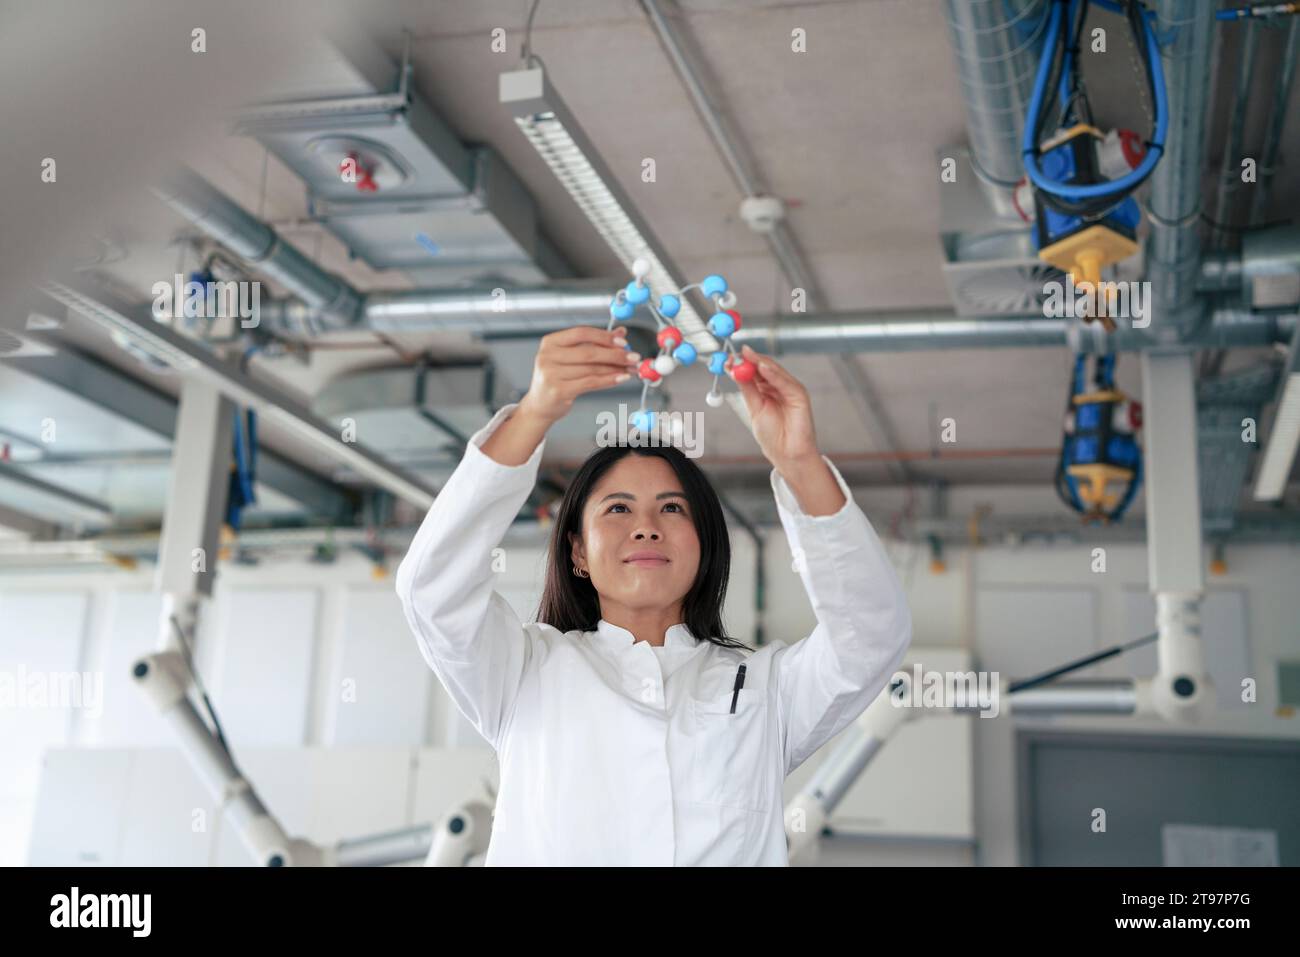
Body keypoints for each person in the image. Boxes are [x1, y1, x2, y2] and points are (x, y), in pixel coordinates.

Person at [395, 324, 912, 865]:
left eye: (671, 508)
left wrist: (801, 464)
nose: (646, 527)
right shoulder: (522, 673)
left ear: (703, 544)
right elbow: (432, 588)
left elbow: (871, 638)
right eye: (618, 508)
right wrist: (534, 413)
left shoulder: (764, 690)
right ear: (577, 552)